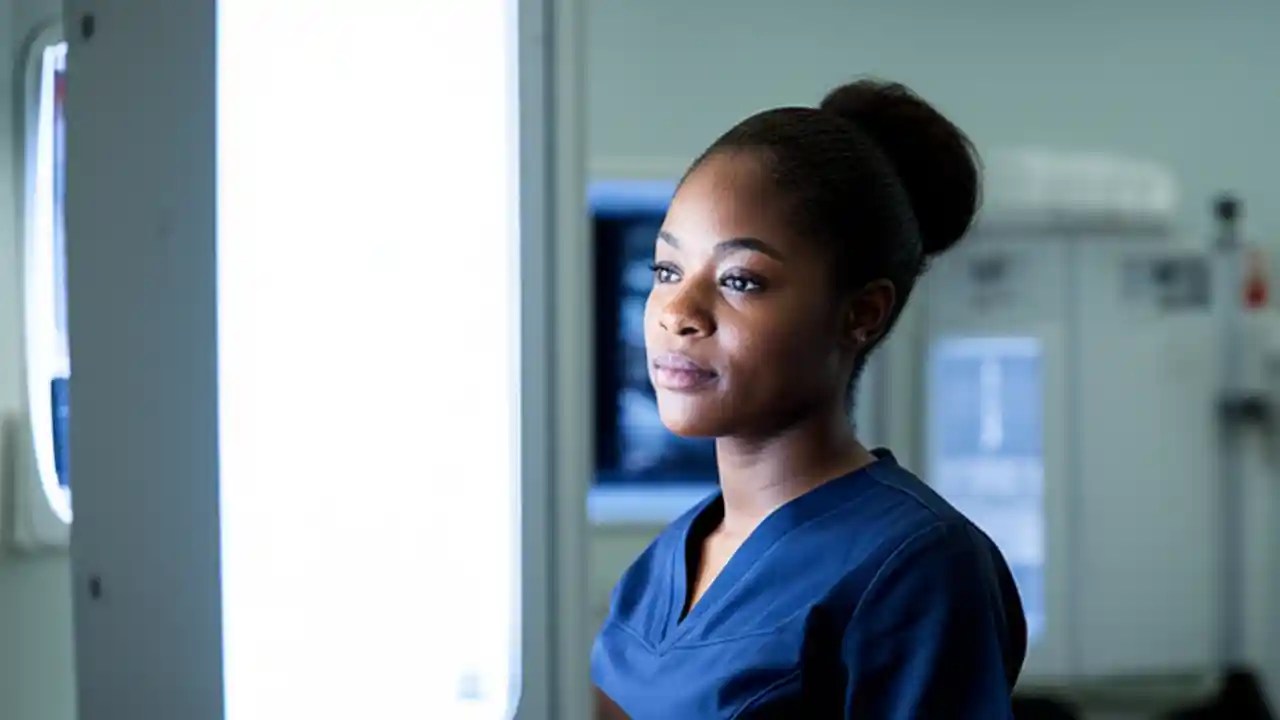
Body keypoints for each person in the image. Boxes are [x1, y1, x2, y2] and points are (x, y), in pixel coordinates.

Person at [590, 78, 1028, 718]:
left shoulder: (916, 564)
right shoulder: (662, 566)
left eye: (741, 280)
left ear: (861, 313)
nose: (678, 313)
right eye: (666, 271)